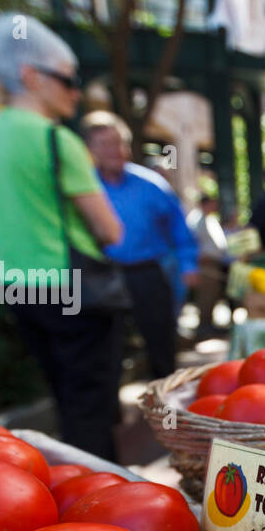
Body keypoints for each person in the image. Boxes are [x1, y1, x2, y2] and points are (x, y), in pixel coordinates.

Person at [0, 13, 124, 461]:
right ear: (31, 76)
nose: (76, 92)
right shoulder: (57, 141)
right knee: (91, 407)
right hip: (72, 287)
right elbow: (109, 229)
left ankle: (73, 490)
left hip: (16, 285)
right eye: (67, 79)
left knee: (64, 396)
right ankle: (99, 496)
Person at [81, 111, 197, 379]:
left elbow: (179, 228)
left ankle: (164, 405)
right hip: (101, 275)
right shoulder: (83, 187)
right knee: (105, 347)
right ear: (90, 149)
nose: (115, 150)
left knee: (161, 340)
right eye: (106, 144)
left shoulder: (151, 184)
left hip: (147, 272)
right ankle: (112, 414)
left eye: (119, 142)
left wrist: (188, 264)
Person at [187, 182, 229, 337]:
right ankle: (203, 329)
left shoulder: (208, 218)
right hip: (204, 265)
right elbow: (191, 243)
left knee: (212, 297)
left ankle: (208, 326)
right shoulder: (196, 220)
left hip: (213, 264)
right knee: (205, 298)